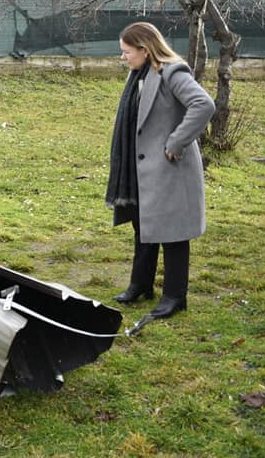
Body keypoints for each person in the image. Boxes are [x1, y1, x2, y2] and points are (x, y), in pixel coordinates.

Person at [106, 21, 214, 319]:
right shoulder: (139, 74)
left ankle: (175, 297)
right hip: (143, 168)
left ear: (145, 49)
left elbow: (203, 104)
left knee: (174, 234)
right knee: (143, 225)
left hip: (170, 168)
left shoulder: (172, 72)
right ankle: (141, 285)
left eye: (126, 51)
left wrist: (177, 141)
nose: (123, 57)